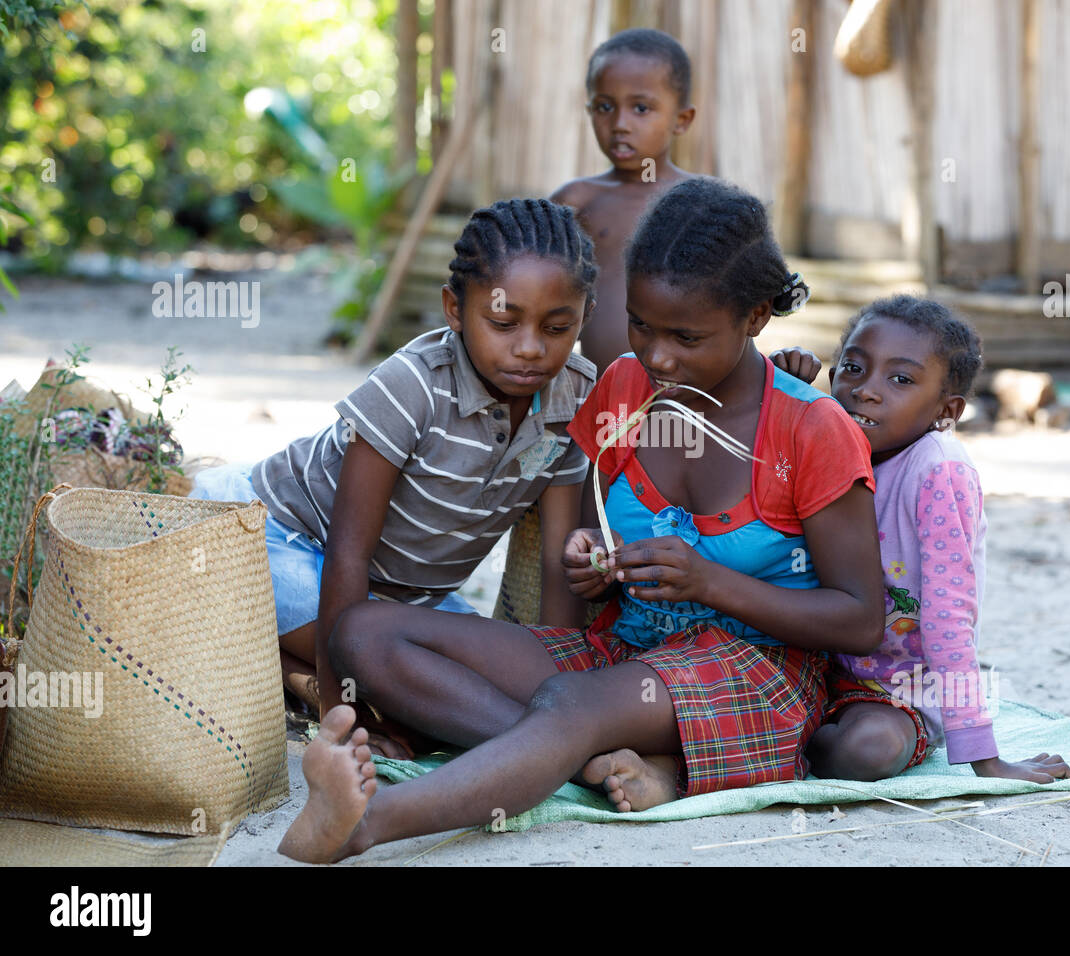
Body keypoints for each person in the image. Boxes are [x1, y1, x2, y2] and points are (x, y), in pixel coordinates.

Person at [278, 178, 886, 863]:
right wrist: (594, 562)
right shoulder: (623, 387)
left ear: (754, 319)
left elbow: (860, 618)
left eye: (687, 337)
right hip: (625, 654)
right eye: (642, 326)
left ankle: (368, 823)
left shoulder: (812, 429)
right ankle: (591, 759)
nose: (658, 357)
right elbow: (582, 541)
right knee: (366, 633)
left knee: (571, 703)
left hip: (757, 670)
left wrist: (709, 582)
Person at [191, 198, 599, 758]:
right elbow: (347, 556)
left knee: (461, 680)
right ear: (454, 309)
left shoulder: (574, 397)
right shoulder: (412, 386)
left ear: (584, 317)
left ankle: (553, 736)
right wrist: (348, 713)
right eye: (503, 323)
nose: (530, 348)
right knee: (405, 671)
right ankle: (304, 679)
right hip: (269, 540)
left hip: (398, 603)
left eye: (557, 327)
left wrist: (561, 683)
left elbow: (559, 564)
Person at [808, 295, 1070, 784]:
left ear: (945, 411)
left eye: (901, 379)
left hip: (895, 693)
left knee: (870, 750)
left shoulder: (937, 469)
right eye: (852, 367)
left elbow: (950, 616)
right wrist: (784, 388)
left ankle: (795, 754)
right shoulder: (820, 442)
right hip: (804, 671)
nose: (865, 390)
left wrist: (983, 756)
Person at [551, 28, 697, 375]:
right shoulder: (576, 202)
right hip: (595, 395)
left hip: (687, 397)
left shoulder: (704, 203)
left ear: (681, 119)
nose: (619, 124)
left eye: (641, 108)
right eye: (604, 107)